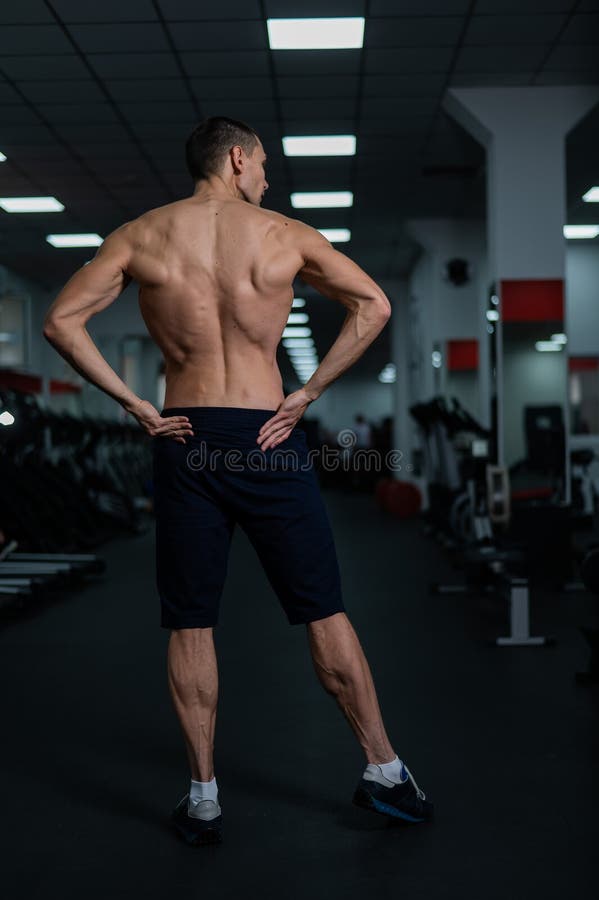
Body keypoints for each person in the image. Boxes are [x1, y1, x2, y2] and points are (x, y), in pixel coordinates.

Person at [42, 116, 433, 846]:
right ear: (236, 158)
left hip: (185, 438)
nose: (266, 180)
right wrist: (308, 392)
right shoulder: (284, 235)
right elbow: (372, 305)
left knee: (190, 619)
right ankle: (384, 772)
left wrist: (134, 405)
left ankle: (202, 798)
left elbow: (62, 322)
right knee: (322, 607)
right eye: (262, 167)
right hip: (267, 434)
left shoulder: (141, 234)